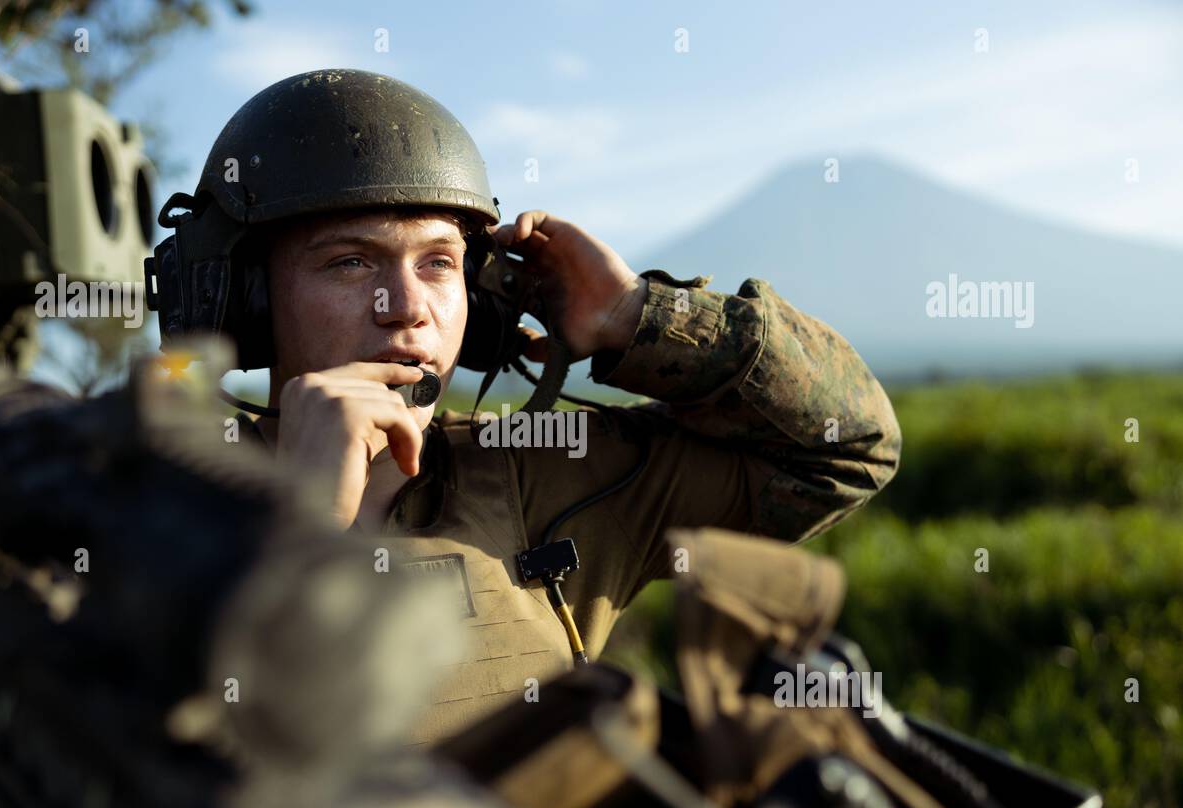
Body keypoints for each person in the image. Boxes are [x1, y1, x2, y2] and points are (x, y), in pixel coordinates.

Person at [156, 69, 902, 744]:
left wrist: (635, 317)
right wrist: (299, 520)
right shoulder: (151, 502)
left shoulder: (545, 472)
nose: (406, 306)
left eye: (438, 264)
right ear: (245, 299)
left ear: (479, 301)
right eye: (349, 262)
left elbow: (846, 452)